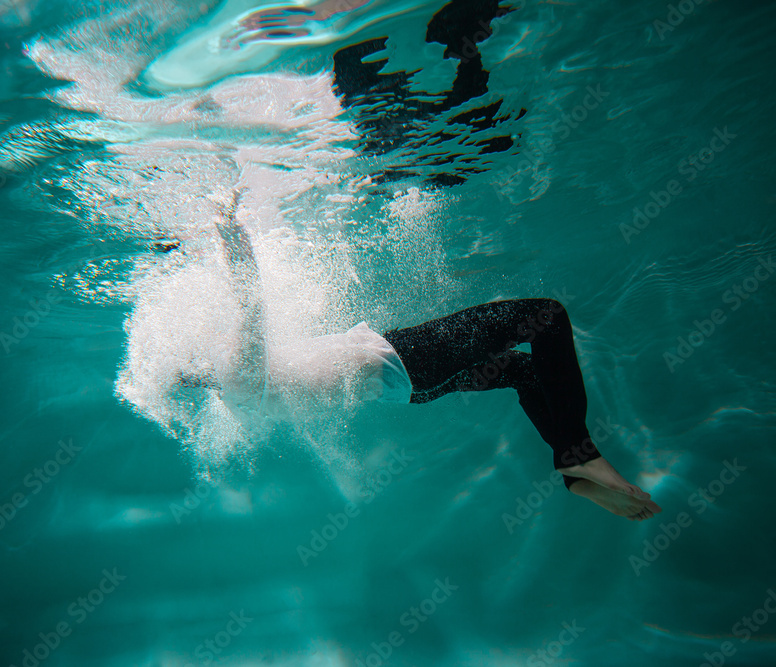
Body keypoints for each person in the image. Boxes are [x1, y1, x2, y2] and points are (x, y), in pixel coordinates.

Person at [179, 193, 662, 522]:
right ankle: (581, 455)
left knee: (522, 372)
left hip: (413, 386)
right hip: (410, 360)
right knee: (546, 316)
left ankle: (572, 475)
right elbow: (250, 302)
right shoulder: (239, 377)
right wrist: (226, 221)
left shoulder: (240, 404)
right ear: (200, 371)